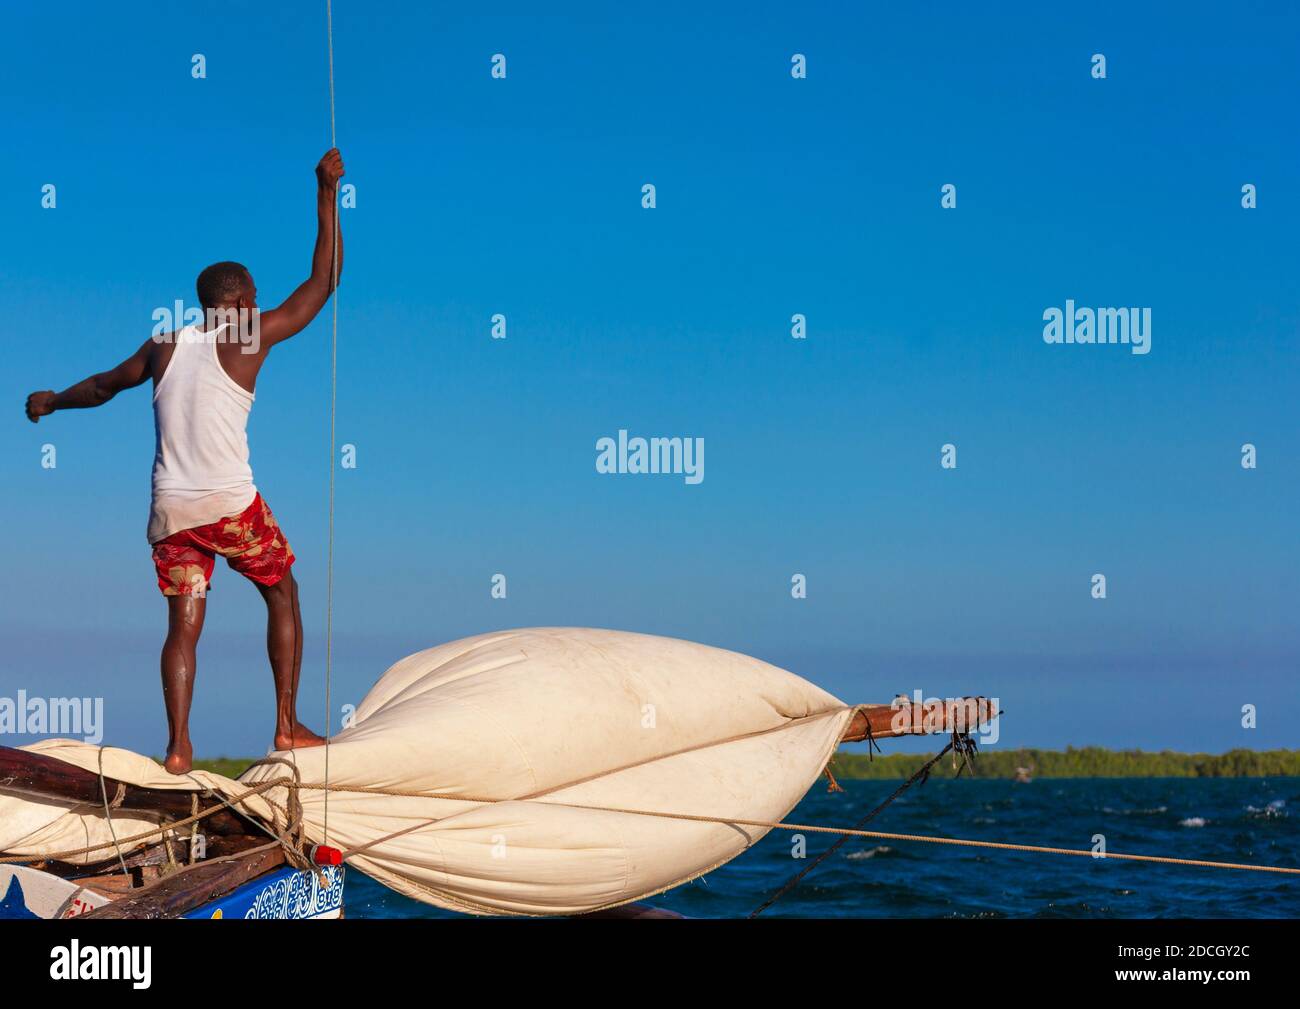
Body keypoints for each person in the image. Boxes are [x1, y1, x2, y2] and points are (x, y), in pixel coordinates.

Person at [25, 149, 346, 774]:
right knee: (282, 591)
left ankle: (178, 747)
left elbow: (102, 386)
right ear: (241, 297)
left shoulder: (166, 343)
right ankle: (286, 726)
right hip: (229, 505)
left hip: (171, 510)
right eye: (254, 292)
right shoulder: (248, 334)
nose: (258, 301)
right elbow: (323, 284)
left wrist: (52, 402)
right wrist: (326, 194)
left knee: (184, 624)